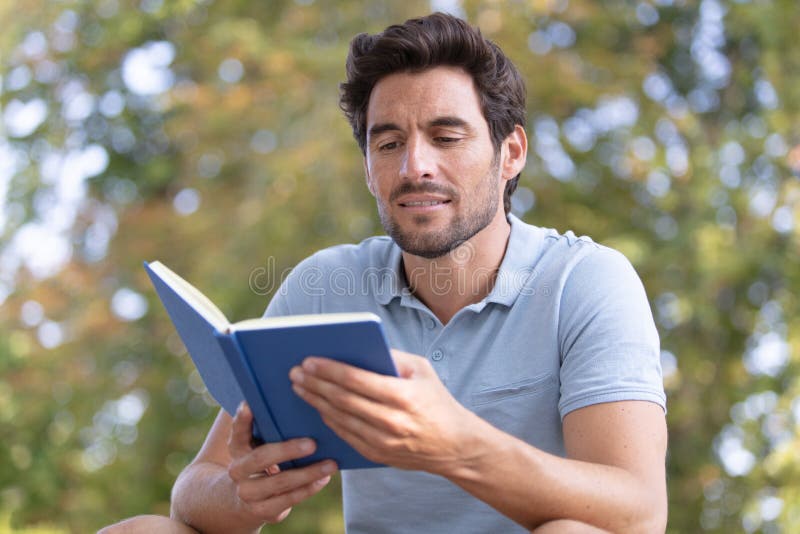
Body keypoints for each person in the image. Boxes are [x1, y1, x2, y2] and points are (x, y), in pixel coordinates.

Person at [101, 12, 667, 534]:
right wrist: (241, 492)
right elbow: (192, 495)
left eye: (446, 137)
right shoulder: (325, 285)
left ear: (511, 152)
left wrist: (455, 445)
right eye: (389, 142)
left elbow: (638, 512)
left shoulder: (585, 281)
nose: (414, 166)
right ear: (368, 168)